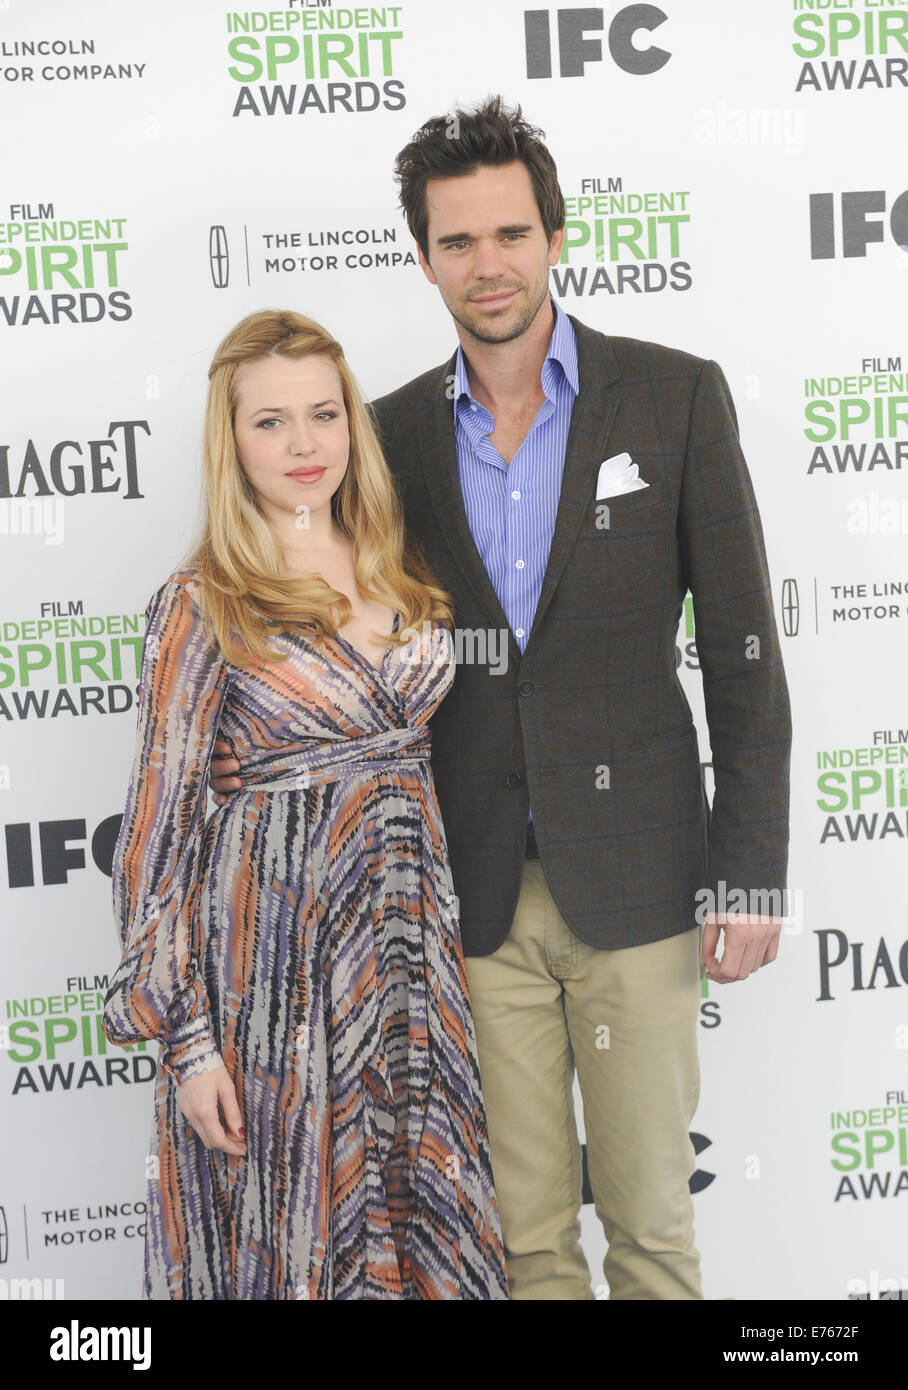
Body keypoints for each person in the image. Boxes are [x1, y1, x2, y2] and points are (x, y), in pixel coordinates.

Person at [211, 98, 793, 1301]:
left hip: (636, 885)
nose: (488, 265)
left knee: (650, 1234)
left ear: (554, 237)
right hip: (463, 900)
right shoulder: (381, 441)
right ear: (424, 257)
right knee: (523, 1243)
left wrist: (751, 868)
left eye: (510, 234)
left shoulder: (673, 398)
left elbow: (739, 654)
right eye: (458, 242)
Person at [102, 309, 509, 1301]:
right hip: (269, 979)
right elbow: (155, 835)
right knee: (293, 1244)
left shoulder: (402, 572)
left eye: (322, 415)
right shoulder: (202, 602)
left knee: (423, 1231)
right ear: (229, 439)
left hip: (408, 959)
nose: (301, 445)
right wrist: (188, 1045)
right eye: (270, 422)